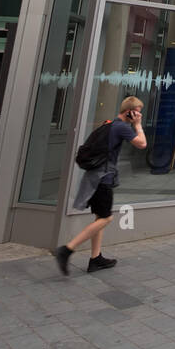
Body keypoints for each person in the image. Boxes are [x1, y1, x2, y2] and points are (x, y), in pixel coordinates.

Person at [55, 96, 148, 275]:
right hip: (103, 179)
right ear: (130, 111)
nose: (140, 114)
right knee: (106, 219)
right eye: (138, 110)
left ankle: (96, 259)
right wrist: (137, 125)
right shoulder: (122, 127)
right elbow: (142, 144)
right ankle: (67, 250)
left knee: (100, 217)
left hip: (95, 177)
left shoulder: (110, 124)